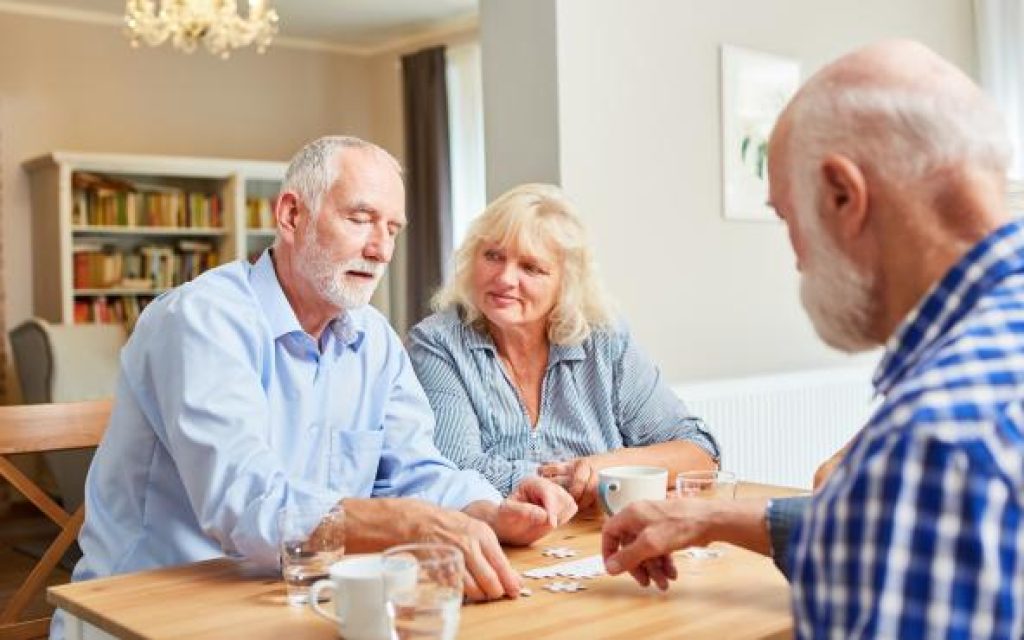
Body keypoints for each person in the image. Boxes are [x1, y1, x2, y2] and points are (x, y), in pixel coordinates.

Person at [57, 136, 577, 638]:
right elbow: (249, 507)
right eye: (361, 219)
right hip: (152, 614)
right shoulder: (201, 320)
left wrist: (489, 510)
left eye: (393, 229)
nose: (381, 249)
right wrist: (409, 522)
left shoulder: (374, 338)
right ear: (291, 215)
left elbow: (415, 470)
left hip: (299, 605)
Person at [601, 40, 1024, 638]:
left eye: (786, 217)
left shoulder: (932, 443)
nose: (797, 257)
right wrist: (710, 516)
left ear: (843, 196)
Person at [407, 183, 719, 509]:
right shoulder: (438, 343)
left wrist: (605, 466)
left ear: (565, 283)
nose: (504, 278)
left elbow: (699, 452)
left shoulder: (604, 339)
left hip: (600, 532)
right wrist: (578, 480)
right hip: (497, 536)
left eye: (531, 267)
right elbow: (455, 470)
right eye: (493, 256)